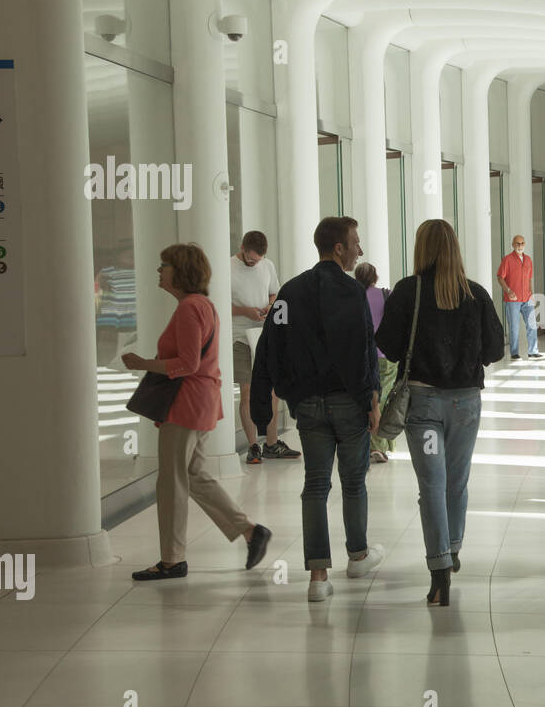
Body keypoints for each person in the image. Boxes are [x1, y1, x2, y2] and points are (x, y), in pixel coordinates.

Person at [251, 217, 385, 602]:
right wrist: (372, 399)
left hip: (308, 404)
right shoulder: (352, 292)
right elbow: (365, 350)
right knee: (354, 481)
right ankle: (357, 555)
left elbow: (269, 347)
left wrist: (272, 400)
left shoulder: (290, 292)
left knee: (315, 485)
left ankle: (318, 577)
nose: (359, 250)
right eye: (355, 243)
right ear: (339, 248)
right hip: (348, 401)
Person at [121, 243, 271, 581]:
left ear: (180, 270)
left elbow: (187, 364)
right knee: (194, 476)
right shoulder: (202, 305)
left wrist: (144, 364)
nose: (159, 271)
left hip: (185, 403)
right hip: (199, 401)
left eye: (165, 265)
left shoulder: (190, 308)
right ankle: (250, 532)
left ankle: (172, 559)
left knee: (172, 481)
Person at [376, 219, 504, 606]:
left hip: (425, 403)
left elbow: (389, 346)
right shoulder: (476, 294)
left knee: (431, 485)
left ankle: (439, 571)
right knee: (457, 481)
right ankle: (453, 547)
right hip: (465, 403)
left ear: (422, 248)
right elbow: (495, 350)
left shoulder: (407, 292)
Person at [231, 230, 299, 465]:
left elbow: (274, 293)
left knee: (273, 390)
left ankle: (271, 443)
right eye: (250, 259)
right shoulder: (228, 268)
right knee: (247, 392)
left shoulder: (267, 265)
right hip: (239, 337)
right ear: (242, 248)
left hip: (264, 335)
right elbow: (219, 303)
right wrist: (244, 311)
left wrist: (270, 306)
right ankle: (252, 445)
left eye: (257, 260)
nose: (254, 263)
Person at [355, 263, 396, 464]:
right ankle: (378, 446)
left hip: (359, 356)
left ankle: (364, 443)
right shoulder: (386, 295)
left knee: (363, 399)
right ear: (375, 277)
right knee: (383, 399)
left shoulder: (352, 296)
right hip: (384, 356)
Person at [497, 234, 541, 360]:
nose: (520, 246)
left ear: (525, 244)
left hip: (527, 298)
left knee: (532, 325)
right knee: (514, 327)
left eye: (522, 243)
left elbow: (529, 279)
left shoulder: (528, 260)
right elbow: (500, 277)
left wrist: (531, 294)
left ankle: (533, 351)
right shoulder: (507, 260)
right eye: (517, 243)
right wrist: (508, 290)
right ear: (513, 245)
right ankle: (514, 353)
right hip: (512, 300)